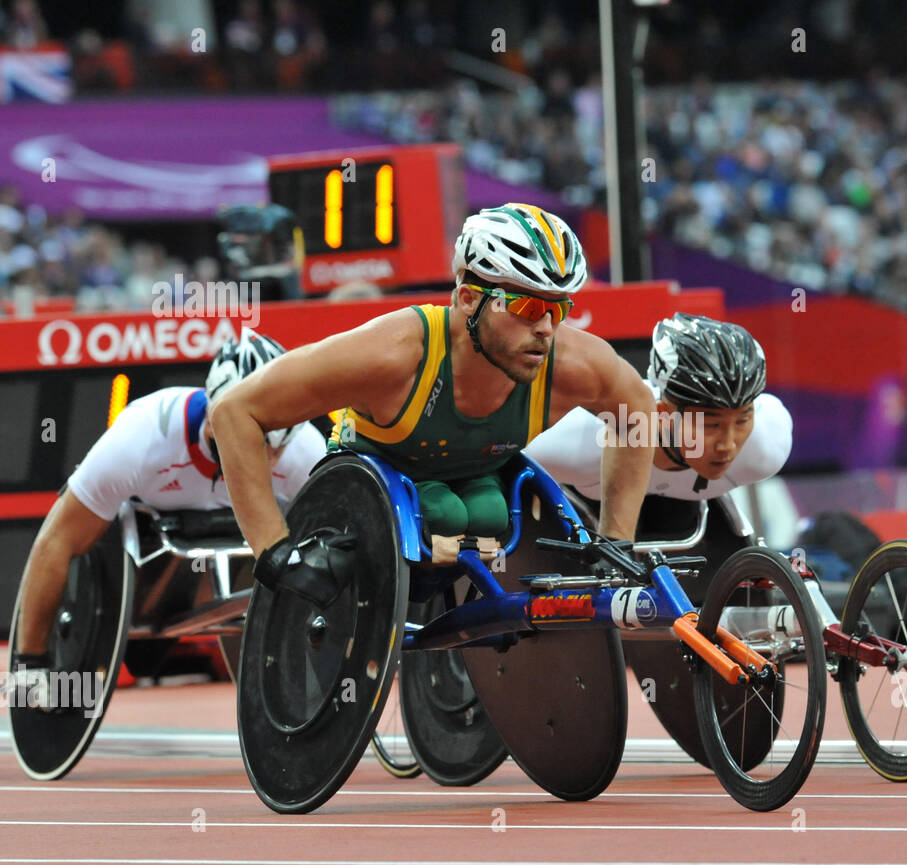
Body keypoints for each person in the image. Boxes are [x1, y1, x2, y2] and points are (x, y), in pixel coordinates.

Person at [209, 203, 656, 599]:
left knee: (485, 512)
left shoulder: (577, 363)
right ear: (468, 299)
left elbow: (636, 411)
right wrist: (274, 553)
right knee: (447, 511)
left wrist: (617, 542)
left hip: (476, 485)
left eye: (559, 309)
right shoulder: (391, 352)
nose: (545, 328)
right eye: (526, 308)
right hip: (372, 488)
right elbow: (235, 412)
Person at [11, 329, 326, 701]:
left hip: (233, 546)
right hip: (147, 549)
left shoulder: (301, 448)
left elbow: (329, 539)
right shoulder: (142, 436)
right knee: (143, 657)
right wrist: (29, 666)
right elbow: (56, 541)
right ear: (216, 416)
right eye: (255, 441)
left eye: (277, 446)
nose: (267, 460)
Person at [525, 313, 792, 506]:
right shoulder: (570, 443)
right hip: (585, 504)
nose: (728, 445)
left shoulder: (766, 445)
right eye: (711, 425)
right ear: (663, 414)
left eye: (743, 420)